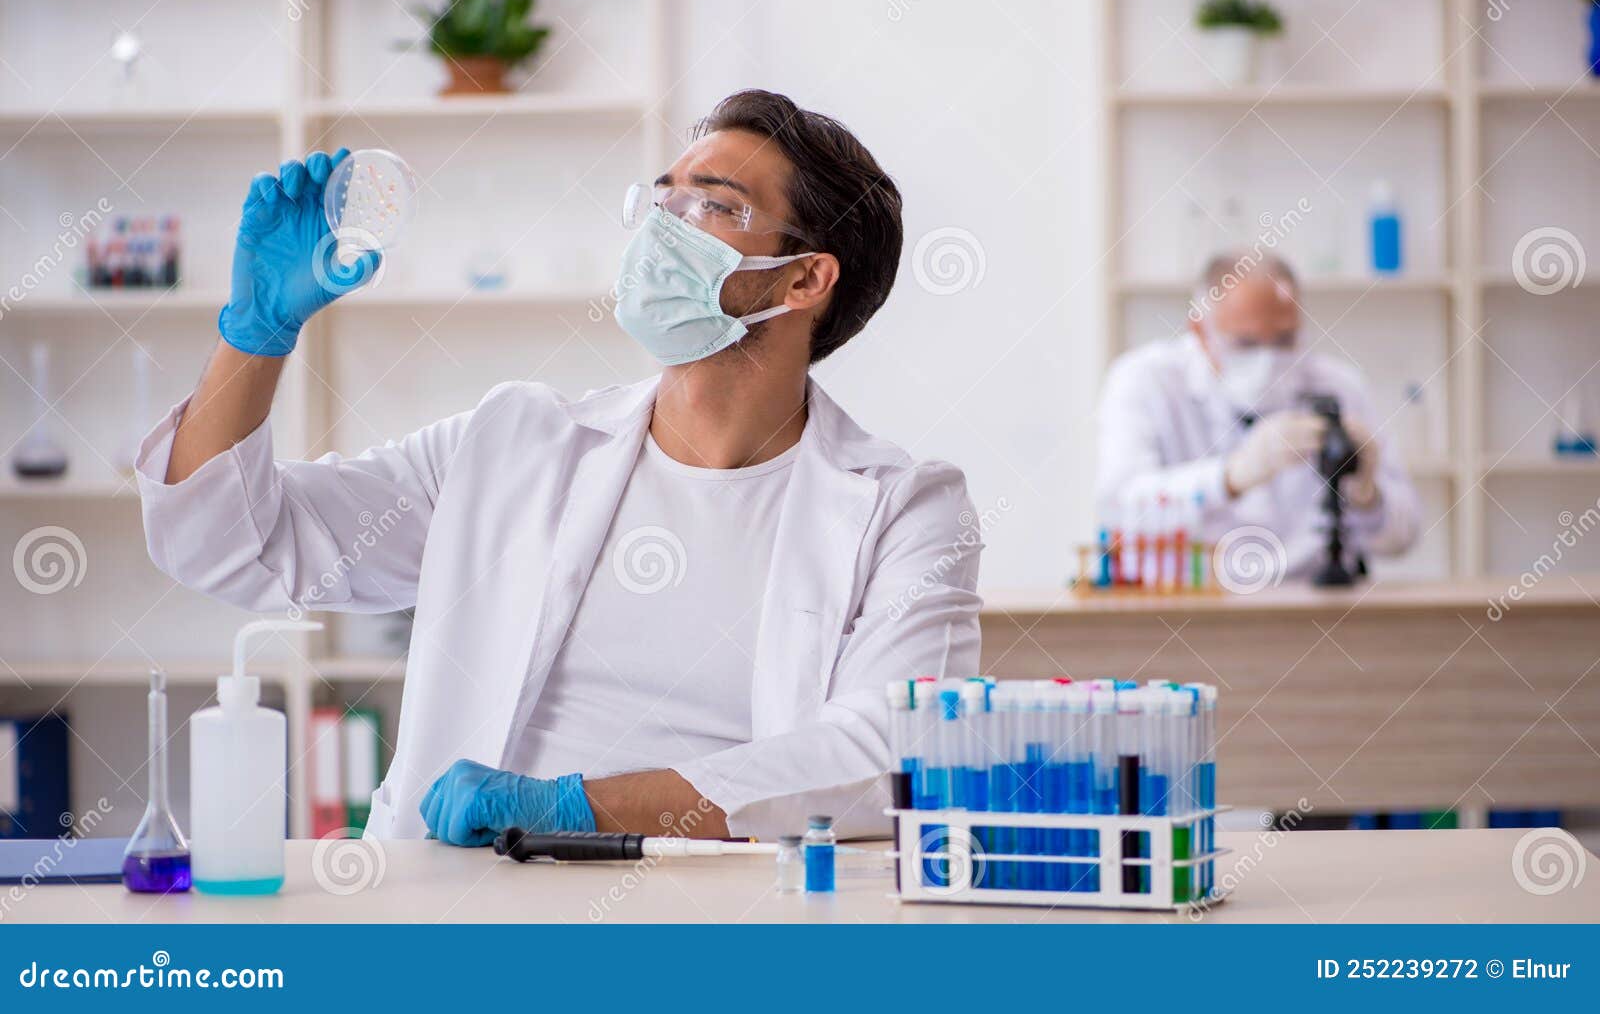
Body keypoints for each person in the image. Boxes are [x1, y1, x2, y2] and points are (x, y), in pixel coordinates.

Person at [136, 90, 982, 843]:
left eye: (711, 209)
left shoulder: (905, 508)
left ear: (804, 279)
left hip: (728, 915)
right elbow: (235, 548)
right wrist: (254, 335)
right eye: (663, 200)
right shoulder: (514, 445)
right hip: (459, 904)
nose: (663, 229)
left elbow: (891, 756)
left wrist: (571, 809)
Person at [1096, 253, 1419, 583]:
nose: (1267, 359)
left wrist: (1366, 495)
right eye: (1245, 343)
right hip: (1190, 603)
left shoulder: (1339, 387)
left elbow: (1402, 538)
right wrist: (1230, 477)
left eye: (1283, 339)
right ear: (1200, 331)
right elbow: (1120, 509)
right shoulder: (1146, 380)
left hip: (1313, 604)